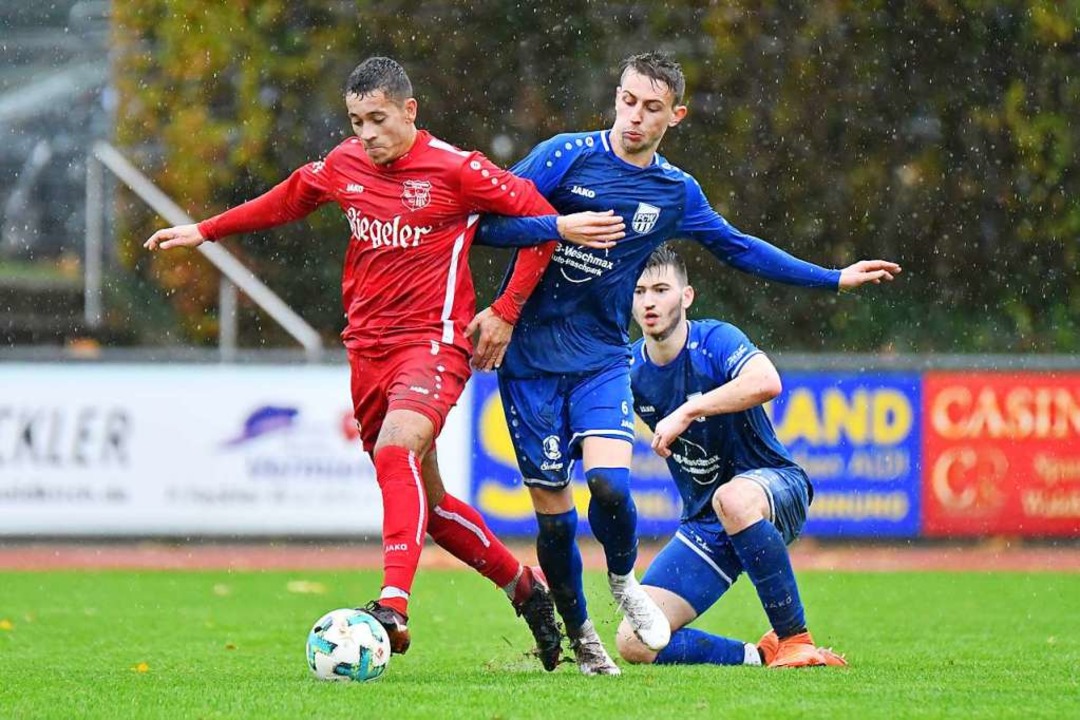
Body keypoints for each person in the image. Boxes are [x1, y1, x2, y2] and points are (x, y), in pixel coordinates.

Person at [143, 56, 627, 670]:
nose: (366, 133)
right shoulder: (344, 163)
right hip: (366, 349)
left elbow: (542, 224)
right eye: (355, 121)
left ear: (409, 111)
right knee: (434, 508)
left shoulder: (459, 170)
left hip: (434, 341)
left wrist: (504, 310)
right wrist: (205, 231)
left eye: (377, 119)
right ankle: (526, 592)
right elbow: (290, 198)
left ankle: (392, 605)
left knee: (396, 450)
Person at [475, 51, 899, 674]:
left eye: (652, 109)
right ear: (615, 97)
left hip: (598, 358)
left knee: (610, 484)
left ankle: (626, 582)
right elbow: (484, 224)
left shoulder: (674, 195)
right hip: (530, 361)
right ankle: (587, 637)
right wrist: (558, 227)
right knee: (564, 534)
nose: (635, 119)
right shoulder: (565, 155)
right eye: (627, 102)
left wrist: (831, 278)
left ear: (676, 116)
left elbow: (739, 248)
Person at [616, 244, 846, 668]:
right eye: (639, 291)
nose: (649, 301)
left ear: (686, 297)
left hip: (774, 487)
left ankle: (796, 640)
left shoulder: (715, 340)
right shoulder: (628, 370)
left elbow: (767, 380)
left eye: (661, 289)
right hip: (706, 521)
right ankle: (758, 655)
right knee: (635, 640)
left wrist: (688, 410)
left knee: (733, 499)